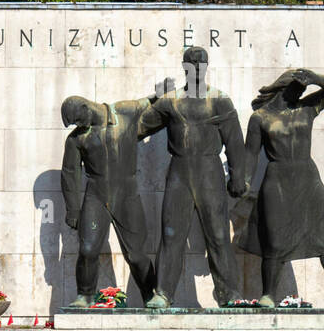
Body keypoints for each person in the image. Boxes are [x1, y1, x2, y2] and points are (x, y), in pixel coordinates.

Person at [240, 68, 324, 310]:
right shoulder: (260, 118)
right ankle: (268, 295)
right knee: (275, 240)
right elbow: (249, 155)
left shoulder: (307, 108)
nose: (302, 91)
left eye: (304, 88)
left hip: (307, 180)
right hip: (277, 181)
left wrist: (315, 79)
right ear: (284, 87)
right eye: (298, 87)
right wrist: (244, 182)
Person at [137, 47, 248, 309]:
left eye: (201, 64)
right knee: (171, 234)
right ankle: (163, 293)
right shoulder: (170, 101)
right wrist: (152, 97)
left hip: (210, 171)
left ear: (206, 67)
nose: (196, 68)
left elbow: (235, 142)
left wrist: (238, 177)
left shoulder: (220, 100)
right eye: (191, 64)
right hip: (180, 172)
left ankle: (229, 294)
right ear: (184, 67)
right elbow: (139, 127)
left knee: (219, 235)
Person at [60, 95, 158, 308]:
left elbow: (150, 103)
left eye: (78, 120)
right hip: (96, 195)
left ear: (86, 109)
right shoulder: (76, 139)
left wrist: (165, 93)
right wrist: (73, 210)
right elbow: (69, 173)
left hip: (127, 195)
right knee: (87, 249)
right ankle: (84, 296)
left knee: (136, 254)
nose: (77, 126)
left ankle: (151, 295)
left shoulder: (124, 112)